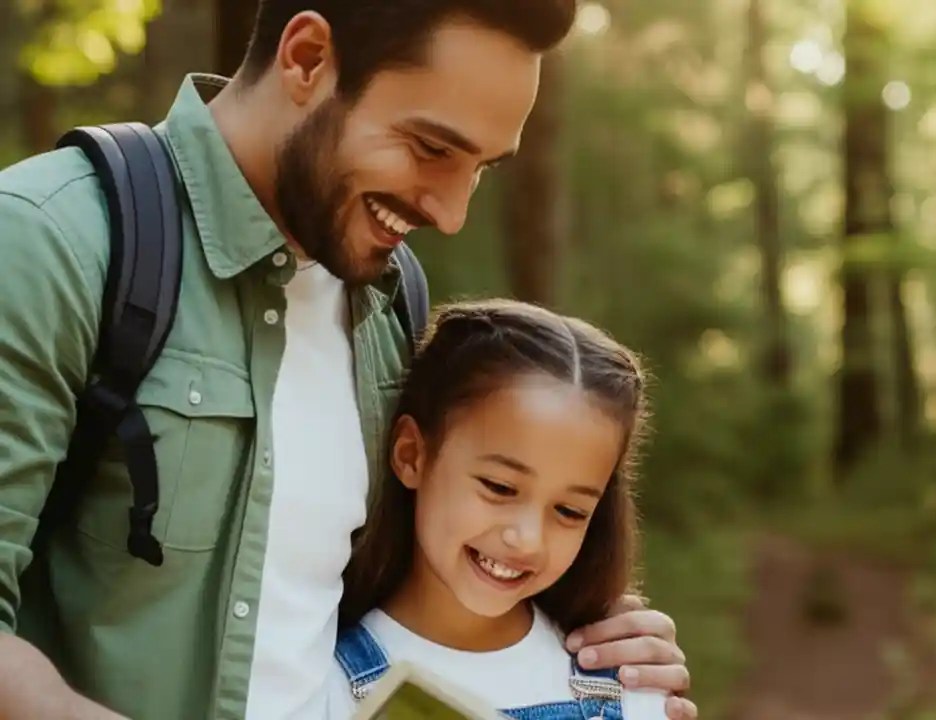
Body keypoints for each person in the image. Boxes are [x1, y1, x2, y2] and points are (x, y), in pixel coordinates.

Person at [0, 1, 698, 718]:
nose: (451, 212)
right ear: (305, 58)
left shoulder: (389, 308)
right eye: (431, 149)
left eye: (481, 168)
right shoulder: (50, 242)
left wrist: (584, 657)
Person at [327, 299, 664, 719]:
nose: (527, 538)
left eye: (570, 511)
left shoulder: (628, 684)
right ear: (412, 454)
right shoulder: (327, 685)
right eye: (500, 487)